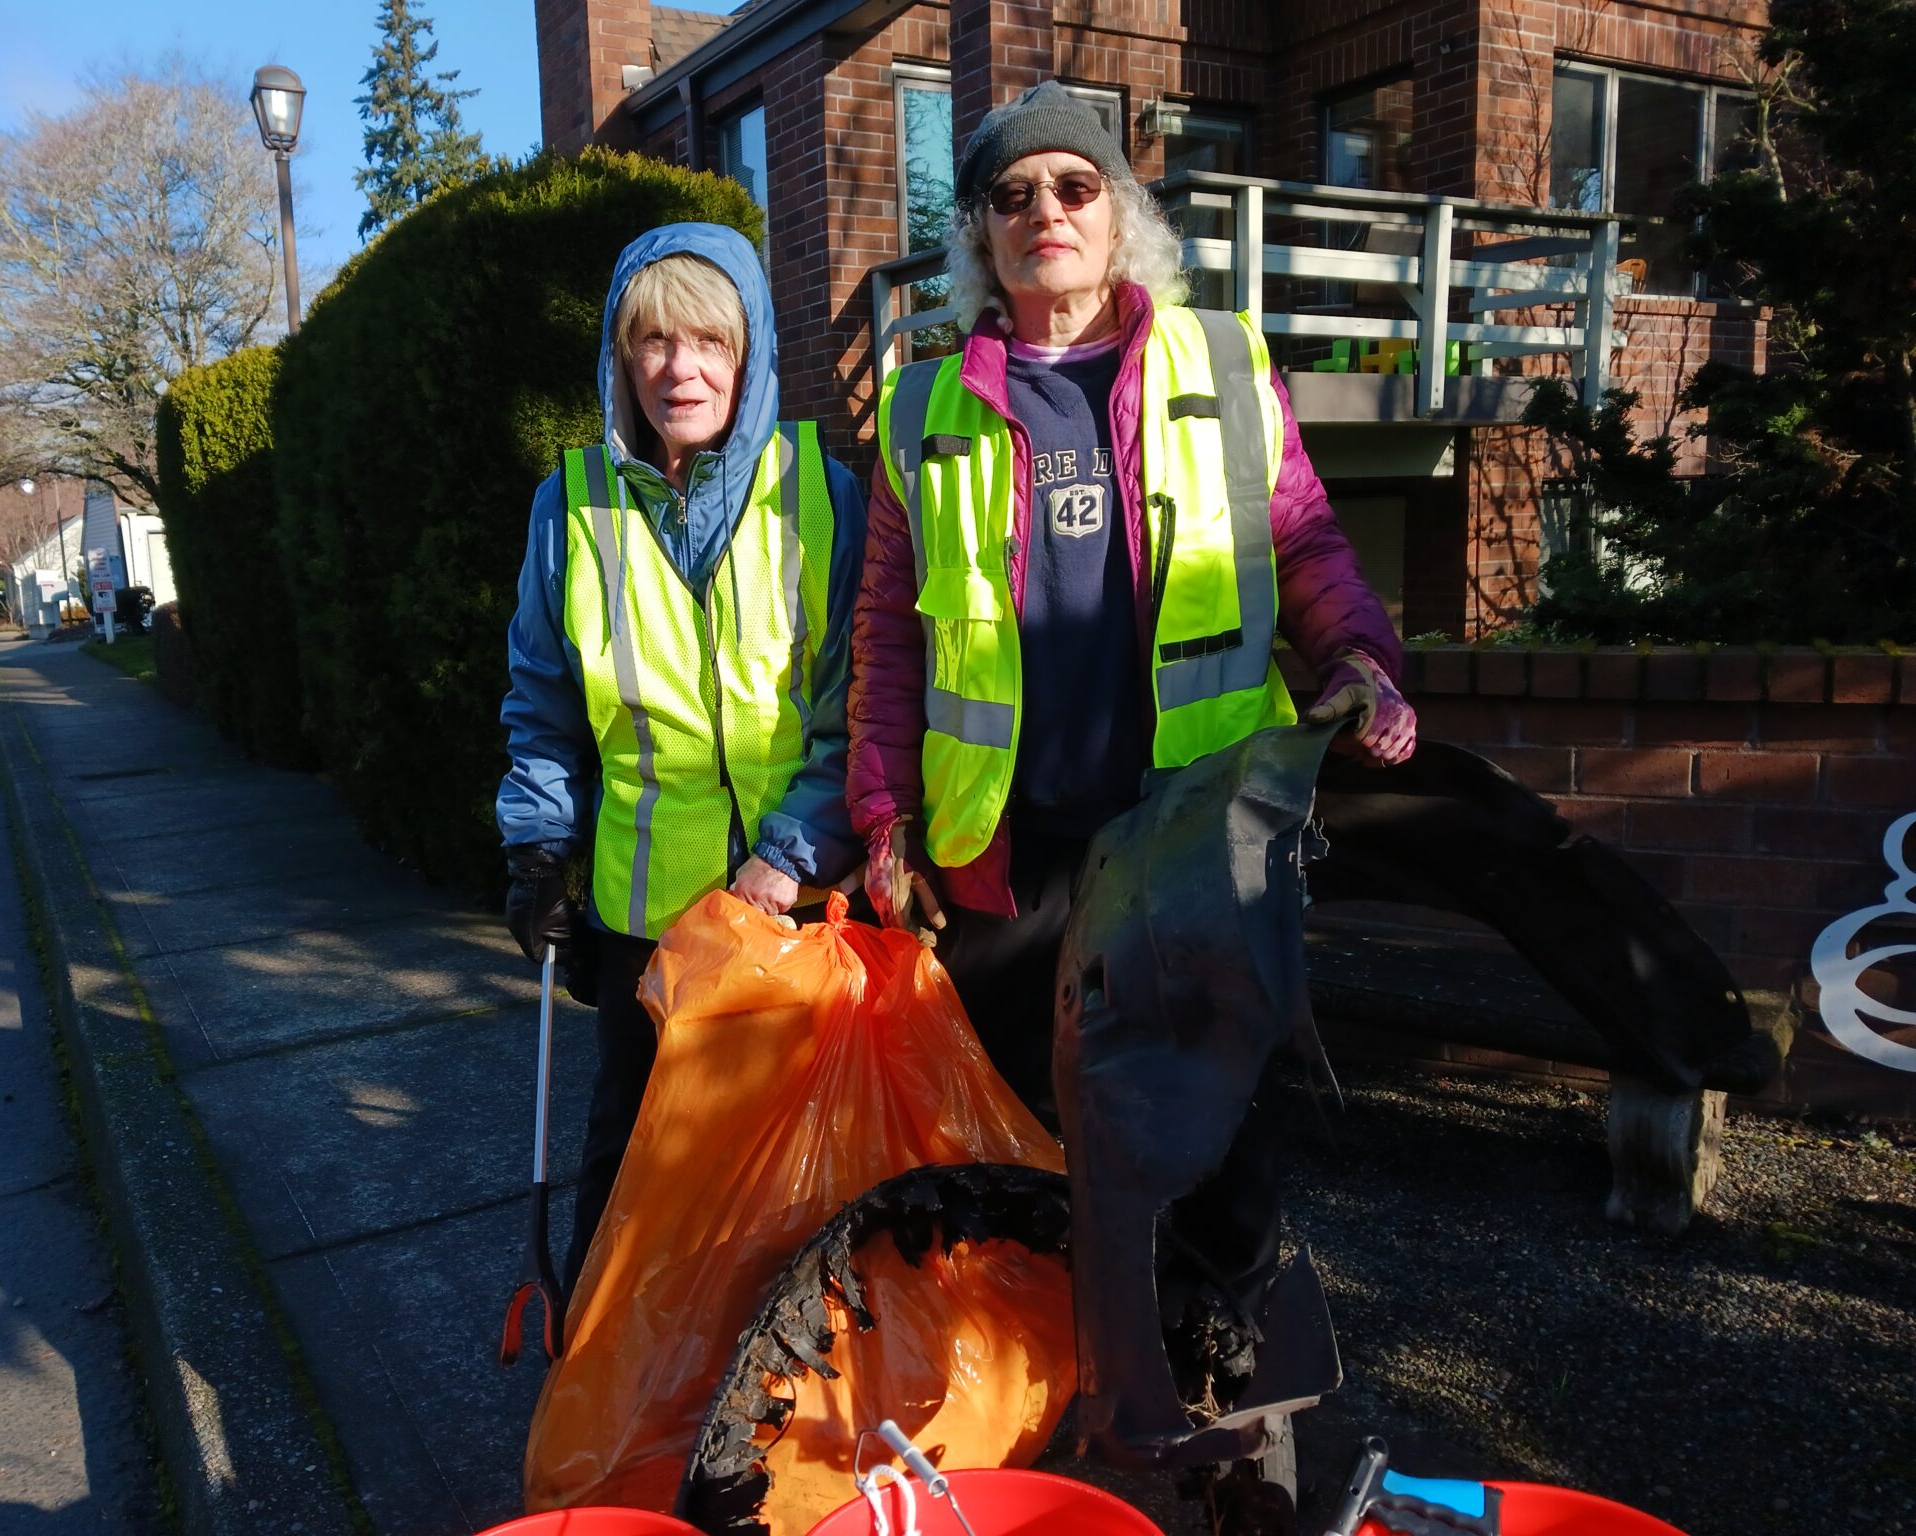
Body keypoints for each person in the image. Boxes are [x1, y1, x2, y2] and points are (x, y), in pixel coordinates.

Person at [845, 84, 1413, 1518]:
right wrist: (884, 824)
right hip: (1011, 862)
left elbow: (1309, 546)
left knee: (1227, 1157)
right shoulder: (922, 409)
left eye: (1074, 188)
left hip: (1201, 851)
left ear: (1120, 213)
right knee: (1040, 1163)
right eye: (1014, 194)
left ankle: (1237, 1438)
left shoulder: (1221, 366)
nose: (1047, 214)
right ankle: (1065, 1450)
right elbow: (889, 642)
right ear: (982, 233)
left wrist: (1361, 659)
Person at [498, 223, 865, 1286]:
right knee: (628, 1185)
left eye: (706, 340)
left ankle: (770, 1411)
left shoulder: (822, 496)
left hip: (791, 919)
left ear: (746, 354)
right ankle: (607, 1407)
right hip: (642, 928)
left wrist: (790, 853)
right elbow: (544, 706)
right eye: (651, 342)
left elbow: (856, 711)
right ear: (620, 356)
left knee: (792, 1186)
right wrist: (535, 852)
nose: (679, 369)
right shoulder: (568, 506)